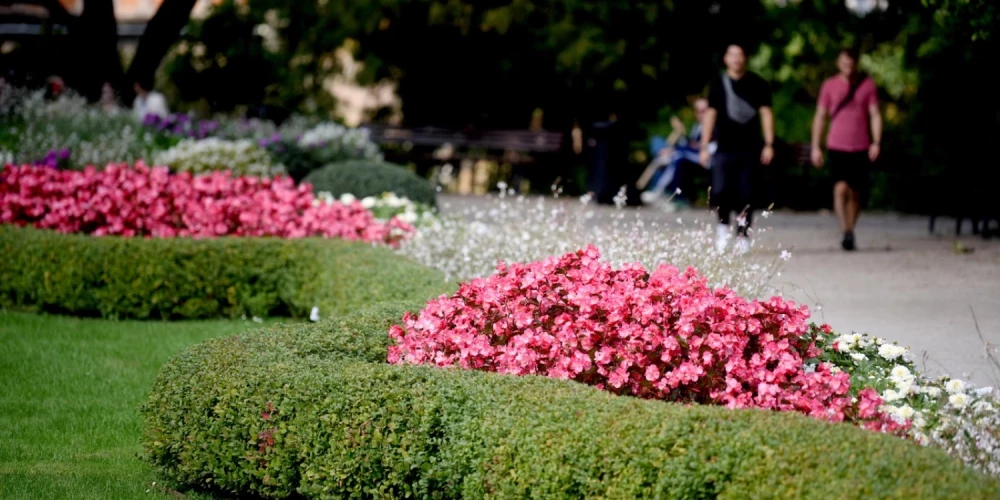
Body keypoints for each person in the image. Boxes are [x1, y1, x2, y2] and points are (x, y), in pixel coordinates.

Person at [699, 44, 775, 254]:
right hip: (724, 147)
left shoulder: (758, 84)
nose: (736, 59)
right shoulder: (718, 84)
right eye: (732, 55)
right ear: (725, 58)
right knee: (721, 189)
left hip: (750, 148)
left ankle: (743, 234)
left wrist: (769, 144)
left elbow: (766, 114)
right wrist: (704, 145)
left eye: (740, 55)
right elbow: (710, 115)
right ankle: (722, 227)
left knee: (746, 192)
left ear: (745, 58)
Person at [810, 47, 881, 251]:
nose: (848, 67)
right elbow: (820, 116)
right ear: (838, 64)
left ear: (856, 64)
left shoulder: (867, 85)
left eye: (851, 64)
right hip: (836, 145)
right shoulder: (829, 85)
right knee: (840, 188)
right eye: (844, 64)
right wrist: (816, 146)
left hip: (860, 145)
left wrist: (876, 141)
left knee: (856, 192)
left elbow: (875, 114)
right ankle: (845, 230)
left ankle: (850, 229)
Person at [638, 98, 715, 209]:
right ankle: (664, 193)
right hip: (691, 157)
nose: (701, 114)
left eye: (704, 111)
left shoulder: (715, 127)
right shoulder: (697, 126)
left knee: (677, 157)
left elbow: (710, 147)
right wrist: (681, 136)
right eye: (698, 111)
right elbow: (691, 144)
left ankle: (659, 191)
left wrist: (677, 149)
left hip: (708, 160)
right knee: (660, 147)